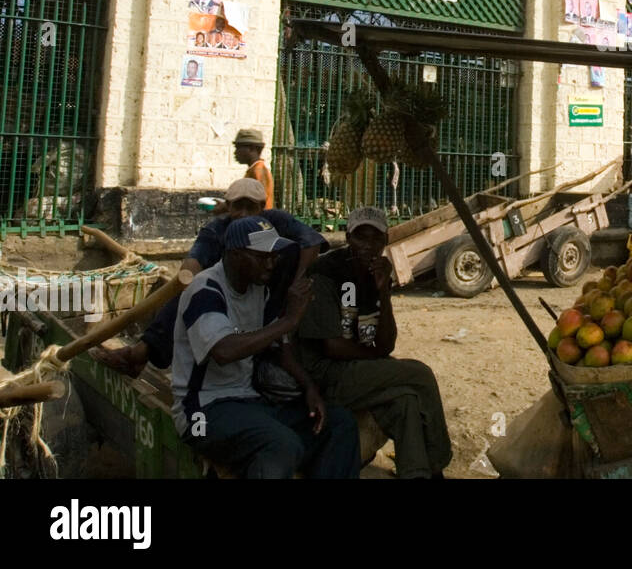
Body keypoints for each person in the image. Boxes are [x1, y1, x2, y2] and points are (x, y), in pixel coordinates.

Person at [171, 216, 359, 479]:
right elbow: (223, 351)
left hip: (248, 401)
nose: (272, 263)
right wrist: (289, 320)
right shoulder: (206, 289)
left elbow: (278, 347)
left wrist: (309, 387)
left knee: (339, 424)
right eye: (262, 257)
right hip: (203, 413)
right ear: (235, 255)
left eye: (274, 256)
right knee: (282, 444)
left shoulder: (258, 291)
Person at [95, 177, 326, 376]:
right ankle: (142, 353)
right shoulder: (217, 230)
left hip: (268, 291)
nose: (243, 214)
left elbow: (311, 242)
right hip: (232, 293)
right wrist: (190, 286)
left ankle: (140, 353)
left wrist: (295, 281)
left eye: (251, 208)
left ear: (262, 208)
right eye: (238, 207)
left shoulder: (275, 221)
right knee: (184, 298)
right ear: (228, 206)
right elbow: (192, 265)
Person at [296, 208, 453, 479]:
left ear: (385, 241)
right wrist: (379, 359)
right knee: (420, 374)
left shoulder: (377, 273)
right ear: (348, 237)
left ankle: (416, 473)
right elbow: (332, 347)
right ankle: (438, 461)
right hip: (325, 374)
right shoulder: (326, 272)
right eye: (360, 237)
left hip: (357, 370)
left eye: (375, 238)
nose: (367, 245)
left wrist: (384, 290)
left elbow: (386, 343)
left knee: (406, 401)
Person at [234, 128, 274, 207]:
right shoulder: (253, 169)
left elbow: (259, 203)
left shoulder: (259, 171)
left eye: (238, 147)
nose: (235, 152)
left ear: (252, 148)